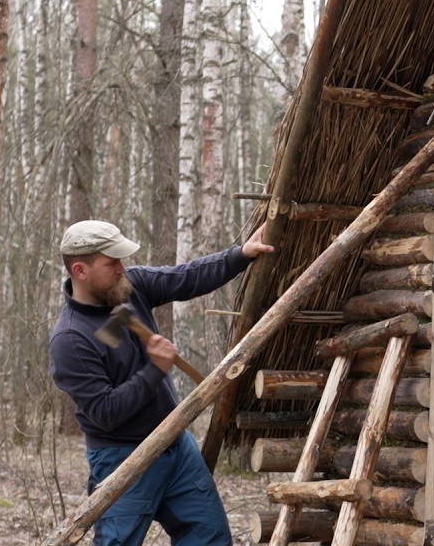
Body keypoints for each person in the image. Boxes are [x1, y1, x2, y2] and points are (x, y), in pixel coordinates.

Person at [50, 219, 274, 546]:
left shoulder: (129, 286)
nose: (122, 269)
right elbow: (105, 412)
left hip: (175, 445)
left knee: (210, 538)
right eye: (111, 263)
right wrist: (155, 369)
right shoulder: (70, 338)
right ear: (80, 271)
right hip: (123, 459)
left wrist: (240, 255)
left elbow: (186, 277)